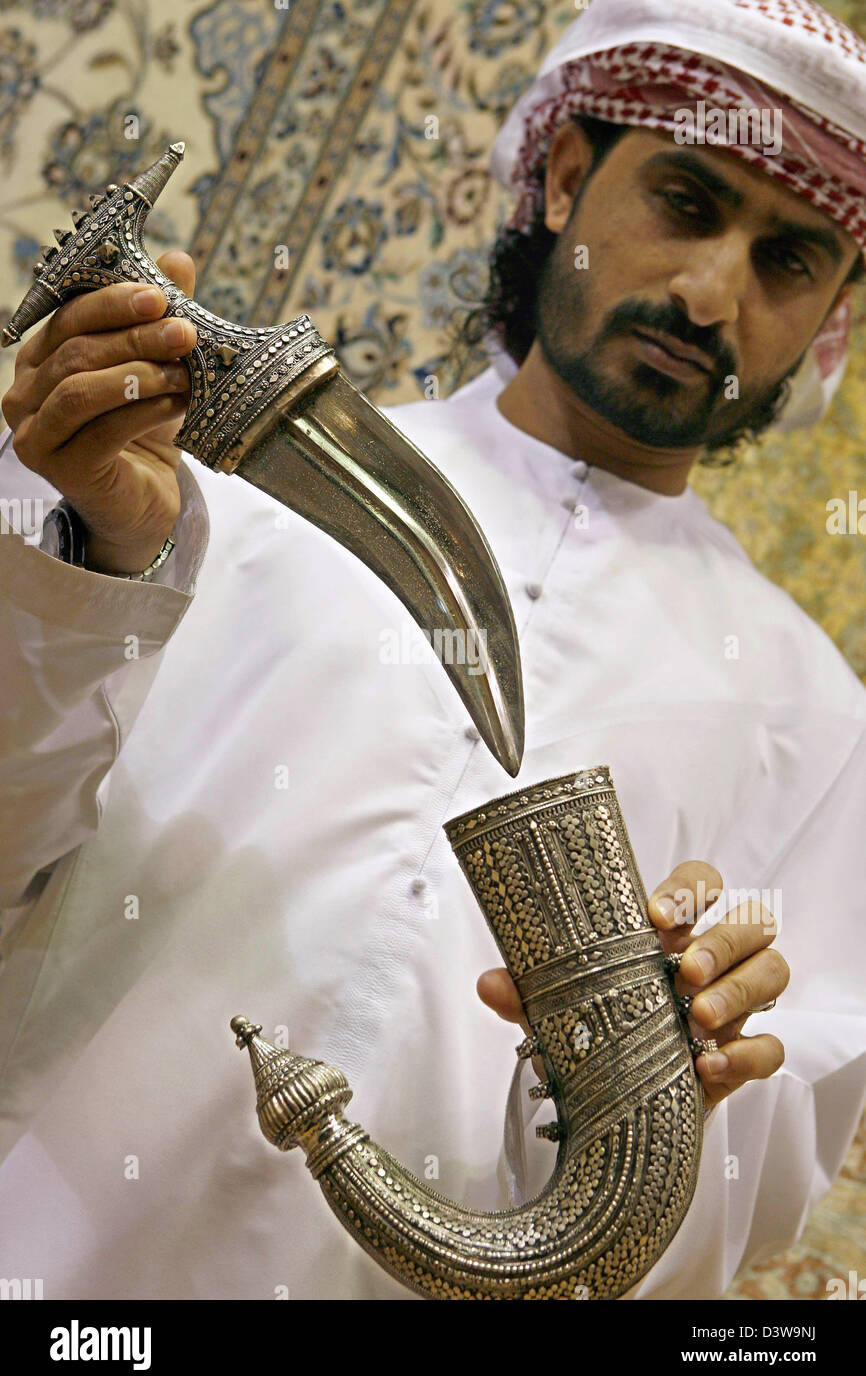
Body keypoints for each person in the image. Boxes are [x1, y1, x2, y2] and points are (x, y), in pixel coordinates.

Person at [0, 0, 864, 1300]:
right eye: (683, 202)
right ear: (566, 179)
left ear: (828, 316)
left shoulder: (821, 725)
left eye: (787, 259)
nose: (706, 292)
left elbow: (724, 1209)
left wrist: (675, 1063)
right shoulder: (181, 499)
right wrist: (79, 579)